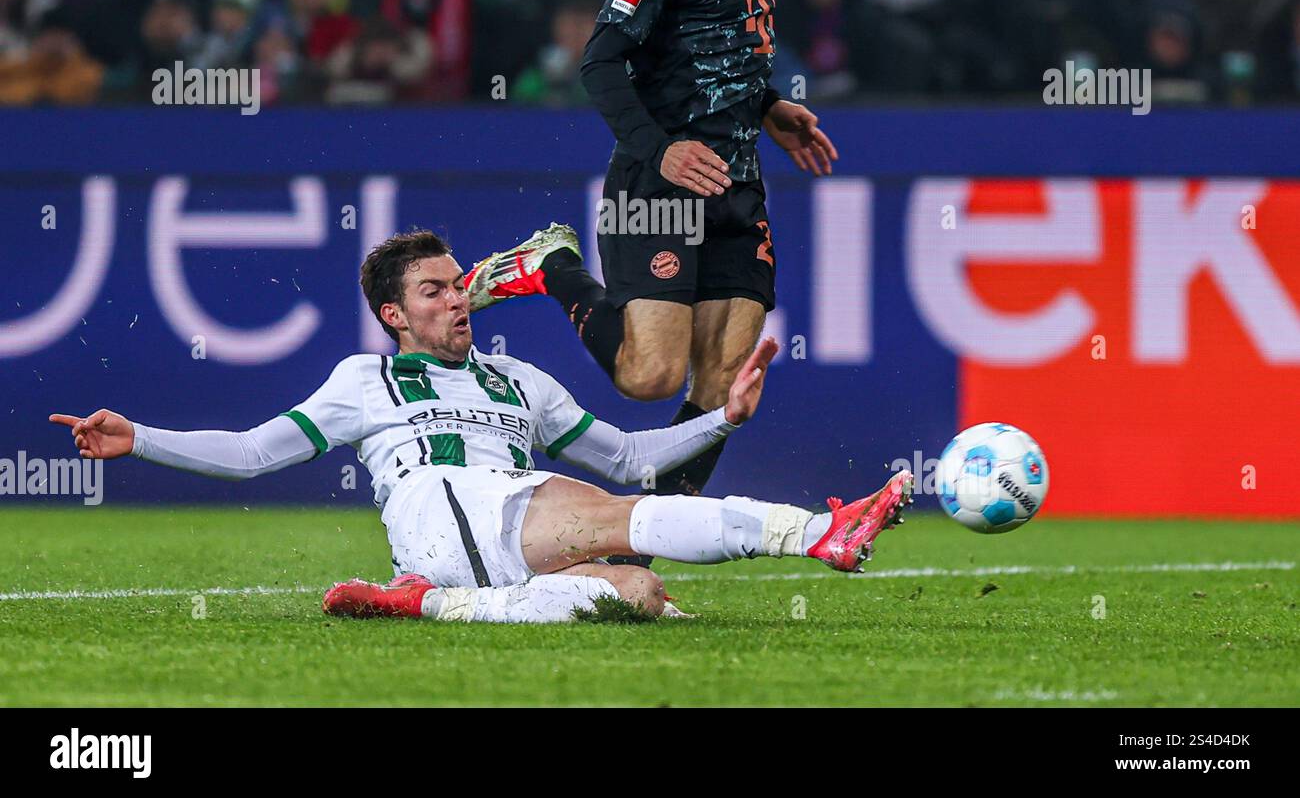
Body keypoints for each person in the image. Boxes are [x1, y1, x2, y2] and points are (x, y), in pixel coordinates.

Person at [50, 230, 913, 626]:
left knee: (640, 593)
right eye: (433, 290)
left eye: (458, 283)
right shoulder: (367, 379)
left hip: (497, 530)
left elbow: (632, 457)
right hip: (447, 512)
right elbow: (248, 453)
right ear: (393, 313)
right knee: (605, 515)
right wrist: (142, 436)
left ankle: (442, 605)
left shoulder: (517, 380)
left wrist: (720, 417)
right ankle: (817, 534)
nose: (458, 296)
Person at [465, 0, 839, 535]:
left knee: (724, 378)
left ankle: (651, 533)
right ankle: (550, 266)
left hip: (736, 177)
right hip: (658, 179)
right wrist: (661, 149)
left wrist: (771, 107)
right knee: (649, 374)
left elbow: (716, 46)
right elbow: (601, 61)